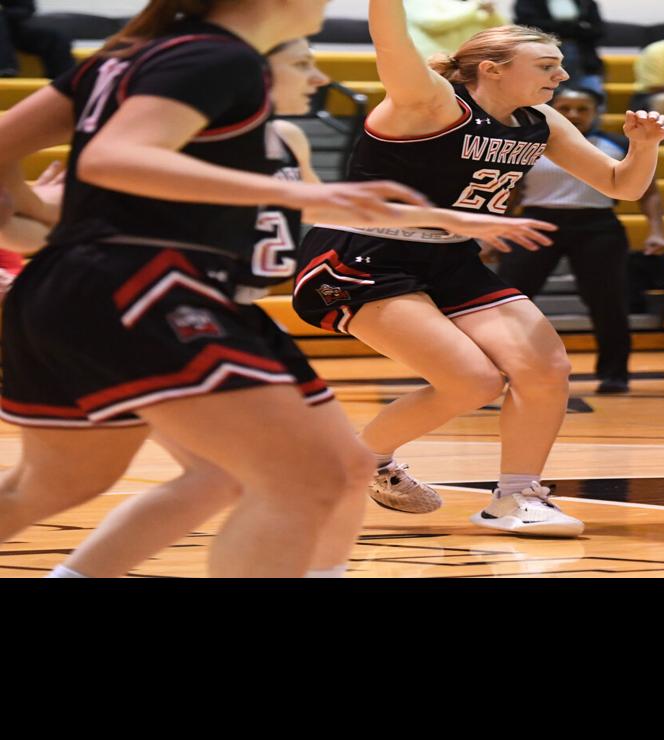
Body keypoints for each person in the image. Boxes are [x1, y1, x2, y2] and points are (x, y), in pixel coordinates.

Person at [23, 36, 551, 579]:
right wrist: (32, 220)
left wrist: (452, 220)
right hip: (156, 305)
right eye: (302, 64)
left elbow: (329, 207)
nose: (319, 79)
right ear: (245, 75)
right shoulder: (177, 143)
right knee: (218, 477)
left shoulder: (285, 138)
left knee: (329, 469)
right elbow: (65, 206)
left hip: (229, 310)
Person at [290, 1, 664, 537]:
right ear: (492, 69)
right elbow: (389, 38)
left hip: (450, 256)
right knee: (472, 381)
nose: (562, 76)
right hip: (363, 254)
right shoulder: (428, 101)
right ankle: (358, 460)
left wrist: (644, 147)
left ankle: (515, 497)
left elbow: (620, 185)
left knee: (546, 367)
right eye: (546, 66)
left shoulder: (541, 121)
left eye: (560, 65)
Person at [494, 86, 664, 394]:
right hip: (535, 222)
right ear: (553, 109)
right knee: (507, 301)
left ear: (596, 112)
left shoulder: (617, 144)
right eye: (565, 108)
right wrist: (496, 228)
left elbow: (649, 192)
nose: (573, 114)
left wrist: (657, 230)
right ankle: (495, 373)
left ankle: (615, 375)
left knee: (608, 303)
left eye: (582, 108)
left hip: (597, 226)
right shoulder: (531, 140)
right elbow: (511, 190)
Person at [512, 0, 605, 98]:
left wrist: (558, 28)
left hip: (585, 63)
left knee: (593, 97)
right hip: (541, 63)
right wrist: (576, 27)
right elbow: (527, 27)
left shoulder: (585, 3)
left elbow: (598, 30)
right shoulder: (527, 3)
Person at [404, 0, 508, 59]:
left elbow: (501, 27)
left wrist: (491, 13)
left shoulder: (471, 3)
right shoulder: (417, 2)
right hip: (437, 60)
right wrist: (474, 8)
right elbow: (433, 23)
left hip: (469, 60)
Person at [0, 0, 75, 79]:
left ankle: (65, 80)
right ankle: (5, 69)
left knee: (56, 39)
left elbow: (26, 8)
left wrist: (4, 13)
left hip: (10, 29)